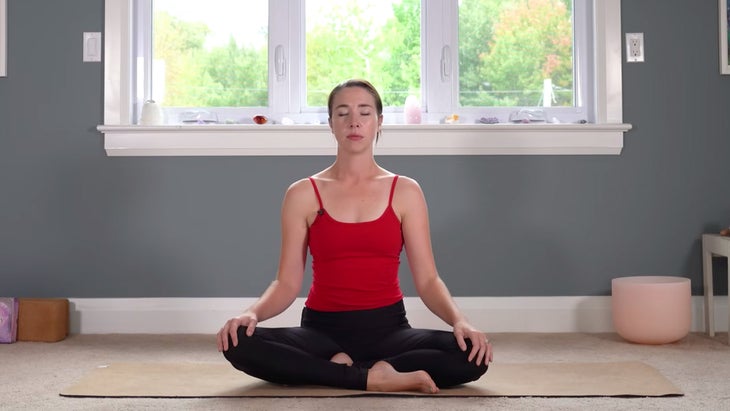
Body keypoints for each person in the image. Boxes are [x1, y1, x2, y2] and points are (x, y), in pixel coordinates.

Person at [217, 79, 492, 394]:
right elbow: (286, 283)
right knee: (236, 342)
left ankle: (352, 371)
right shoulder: (303, 193)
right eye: (342, 113)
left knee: (474, 354)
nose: (354, 122)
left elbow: (428, 280)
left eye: (364, 112)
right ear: (331, 124)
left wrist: (460, 321)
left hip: (390, 333)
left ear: (379, 123)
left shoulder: (405, 191)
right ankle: (373, 378)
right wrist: (251, 313)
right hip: (322, 335)